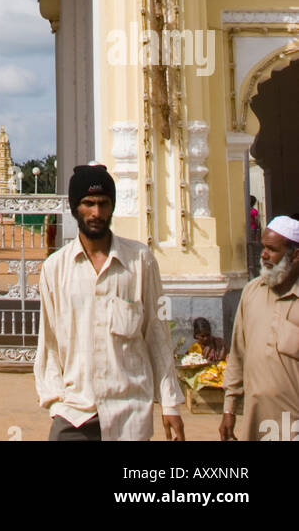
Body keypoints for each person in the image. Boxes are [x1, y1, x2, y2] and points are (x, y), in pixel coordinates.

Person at [34, 163, 185, 442]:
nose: (97, 213)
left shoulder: (140, 261)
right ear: (74, 207)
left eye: (104, 204)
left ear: (112, 206)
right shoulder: (55, 268)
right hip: (75, 411)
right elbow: (49, 342)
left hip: (129, 412)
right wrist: (55, 401)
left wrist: (170, 403)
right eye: (88, 203)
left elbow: (157, 333)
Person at [220, 214, 299, 442]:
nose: (263, 255)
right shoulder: (251, 292)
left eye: (272, 250)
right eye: (263, 247)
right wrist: (229, 409)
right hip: (256, 424)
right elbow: (237, 354)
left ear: (295, 255)